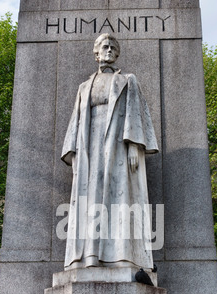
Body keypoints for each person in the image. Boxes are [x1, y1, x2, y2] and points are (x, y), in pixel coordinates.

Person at [61, 34, 159, 270]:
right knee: (90, 200)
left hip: (117, 145)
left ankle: (122, 256)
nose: (108, 50)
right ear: (96, 53)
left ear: (117, 54)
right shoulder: (84, 87)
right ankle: (89, 257)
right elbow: (76, 121)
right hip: (89, 149)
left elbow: (136, 113)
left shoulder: (128, 81)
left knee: (120, 199)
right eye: (104, 46)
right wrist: (73, 152)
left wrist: (135, 145)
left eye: (113, 47)